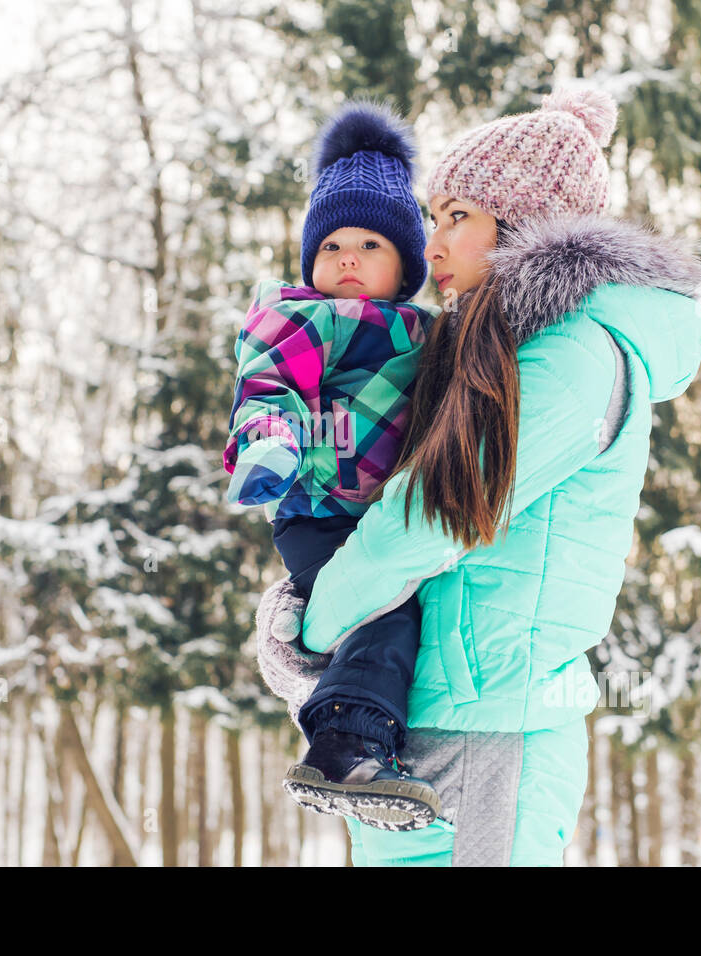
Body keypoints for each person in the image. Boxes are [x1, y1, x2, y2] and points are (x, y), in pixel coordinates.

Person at [254, 85, 701, 865]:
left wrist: (315, 629)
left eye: (456, 216)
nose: (430, 246)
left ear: (526, 220)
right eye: (434, 219)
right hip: (417, 731)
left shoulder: (572, 357)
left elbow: (429, 516)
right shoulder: (486, 352)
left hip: (489, 733)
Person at [223, 99, 446, 830]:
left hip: (391, 510)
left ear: (407, 264)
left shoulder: (428, 334)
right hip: (318, 509)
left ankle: (363, 742)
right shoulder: (299, 318)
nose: (347, 257)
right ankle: (345, 749)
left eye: (370, 245)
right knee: (383, 610)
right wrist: (269, 443)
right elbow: (266, 385)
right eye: (332, 246)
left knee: (404, 609)